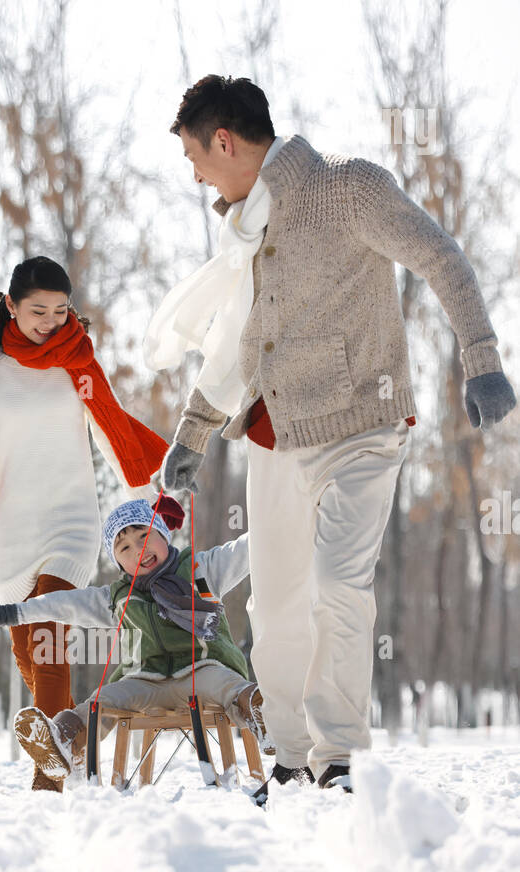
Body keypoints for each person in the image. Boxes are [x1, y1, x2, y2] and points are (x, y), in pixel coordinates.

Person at [148, 75, 517, 801]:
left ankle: (339, 754)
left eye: (195, 156)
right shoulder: (247, 229)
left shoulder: (348, 189)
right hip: (273, 432)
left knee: (336, 584)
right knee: (276, 600)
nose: (194, 175)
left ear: (224, 140)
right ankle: (290, 755)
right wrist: (193, 431)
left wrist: (480, 359)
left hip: (361, 427)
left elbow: (440, 255)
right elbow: (238, 341)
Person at [0, 256, 180, 790]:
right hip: (13, 524)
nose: (50, 321)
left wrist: (158, 495)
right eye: (38, 310)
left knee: (49, 633)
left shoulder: (77, 360)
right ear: (11, 306)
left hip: (72, 518)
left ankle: (49, 780)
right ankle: (78, 747)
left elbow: (113, 429)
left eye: (61, 311)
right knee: (28, 652)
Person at [0, 498, 263, 791]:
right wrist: (11, 613)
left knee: (229, 686)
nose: (138, 549)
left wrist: (290, 510)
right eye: (124, 547)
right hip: (147, 681)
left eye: (145, 535)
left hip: (204, 671)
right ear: (118, 561)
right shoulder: (115, 598)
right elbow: (63, 605)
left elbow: (252, 545)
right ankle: (62, 743)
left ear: (164, 534)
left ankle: (264, 715)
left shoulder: (202, 569)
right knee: (99, 701)